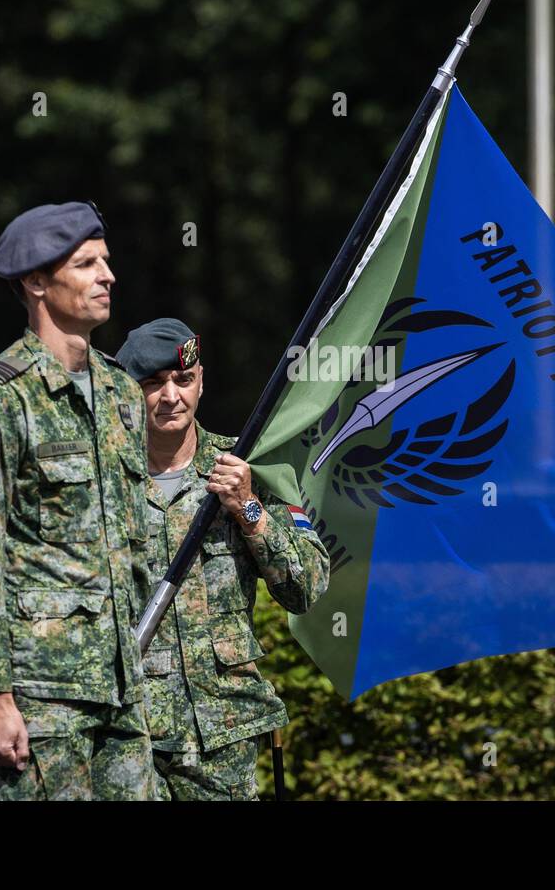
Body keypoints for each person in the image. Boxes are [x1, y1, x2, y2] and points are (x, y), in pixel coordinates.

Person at [0, 201, 159, 800]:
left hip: (123, 690)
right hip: (42, 700)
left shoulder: (120, 390)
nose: (107, 276)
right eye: (86, 264)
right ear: (36, 282)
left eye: (106, 262)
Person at [116, 318, 330, 800]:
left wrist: (249, 510)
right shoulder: (105, 480)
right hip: (128, 735)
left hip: (219, 737)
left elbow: (307, 587)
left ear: (201, 381)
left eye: (183, 380)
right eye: (153, 384)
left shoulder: (245, 467)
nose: (171, 396)